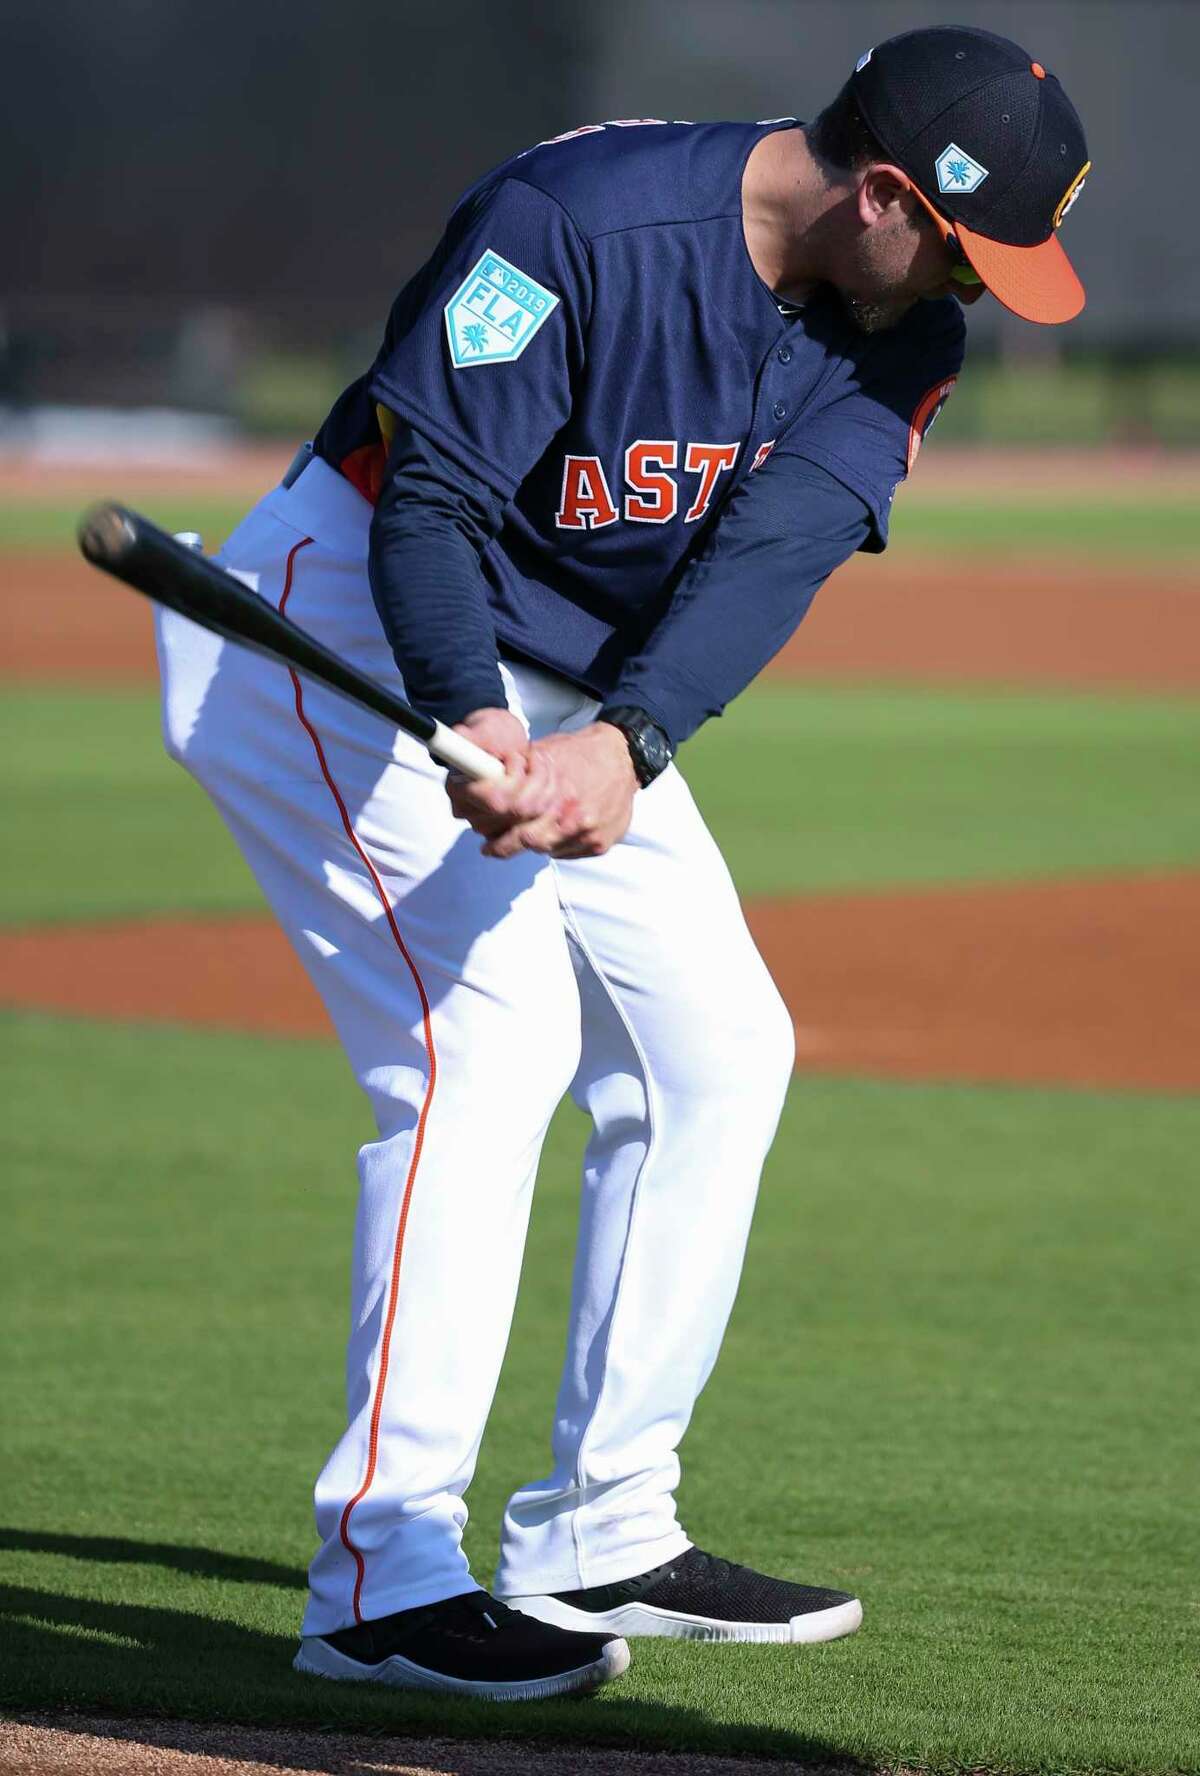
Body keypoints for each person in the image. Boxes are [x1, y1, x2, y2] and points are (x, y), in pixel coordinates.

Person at [156, 25, 1089, 1702]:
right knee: (481, 1039)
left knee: (716, 1047)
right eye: (965, 241)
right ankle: (381, 1571)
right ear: (884, 193)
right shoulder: (572, 223)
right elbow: (424, 499)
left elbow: (772, 552)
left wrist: (627, 744)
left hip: (578, 681)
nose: (975, 287)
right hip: (338, 619)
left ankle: (601, 1527)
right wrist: (467, 720)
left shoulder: (905, 330)